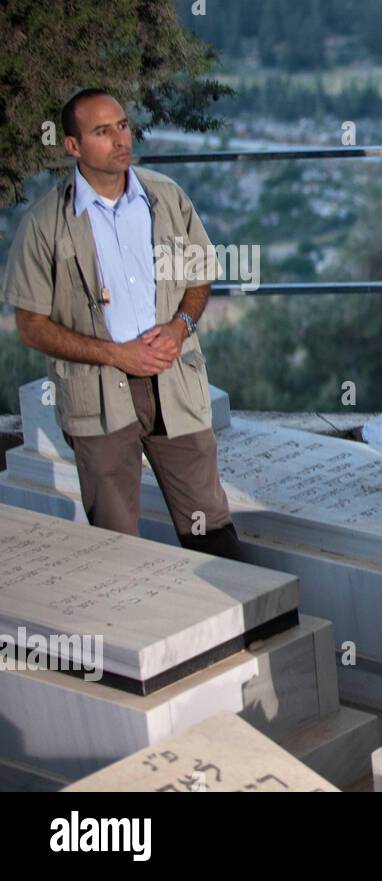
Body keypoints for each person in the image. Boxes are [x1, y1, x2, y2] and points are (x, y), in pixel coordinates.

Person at [2, 88, 240, 559]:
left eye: (123, 125)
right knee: (116, 543)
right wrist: (117, 354)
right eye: (102, 131)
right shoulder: (45, 223)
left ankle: (242, 605)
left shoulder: (166, 197)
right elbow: (31, 325)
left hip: (174, 384)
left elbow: (199, 276)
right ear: (73, 146)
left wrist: (179, 327)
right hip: (98, 397)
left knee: (210, 525)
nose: (120, 139)